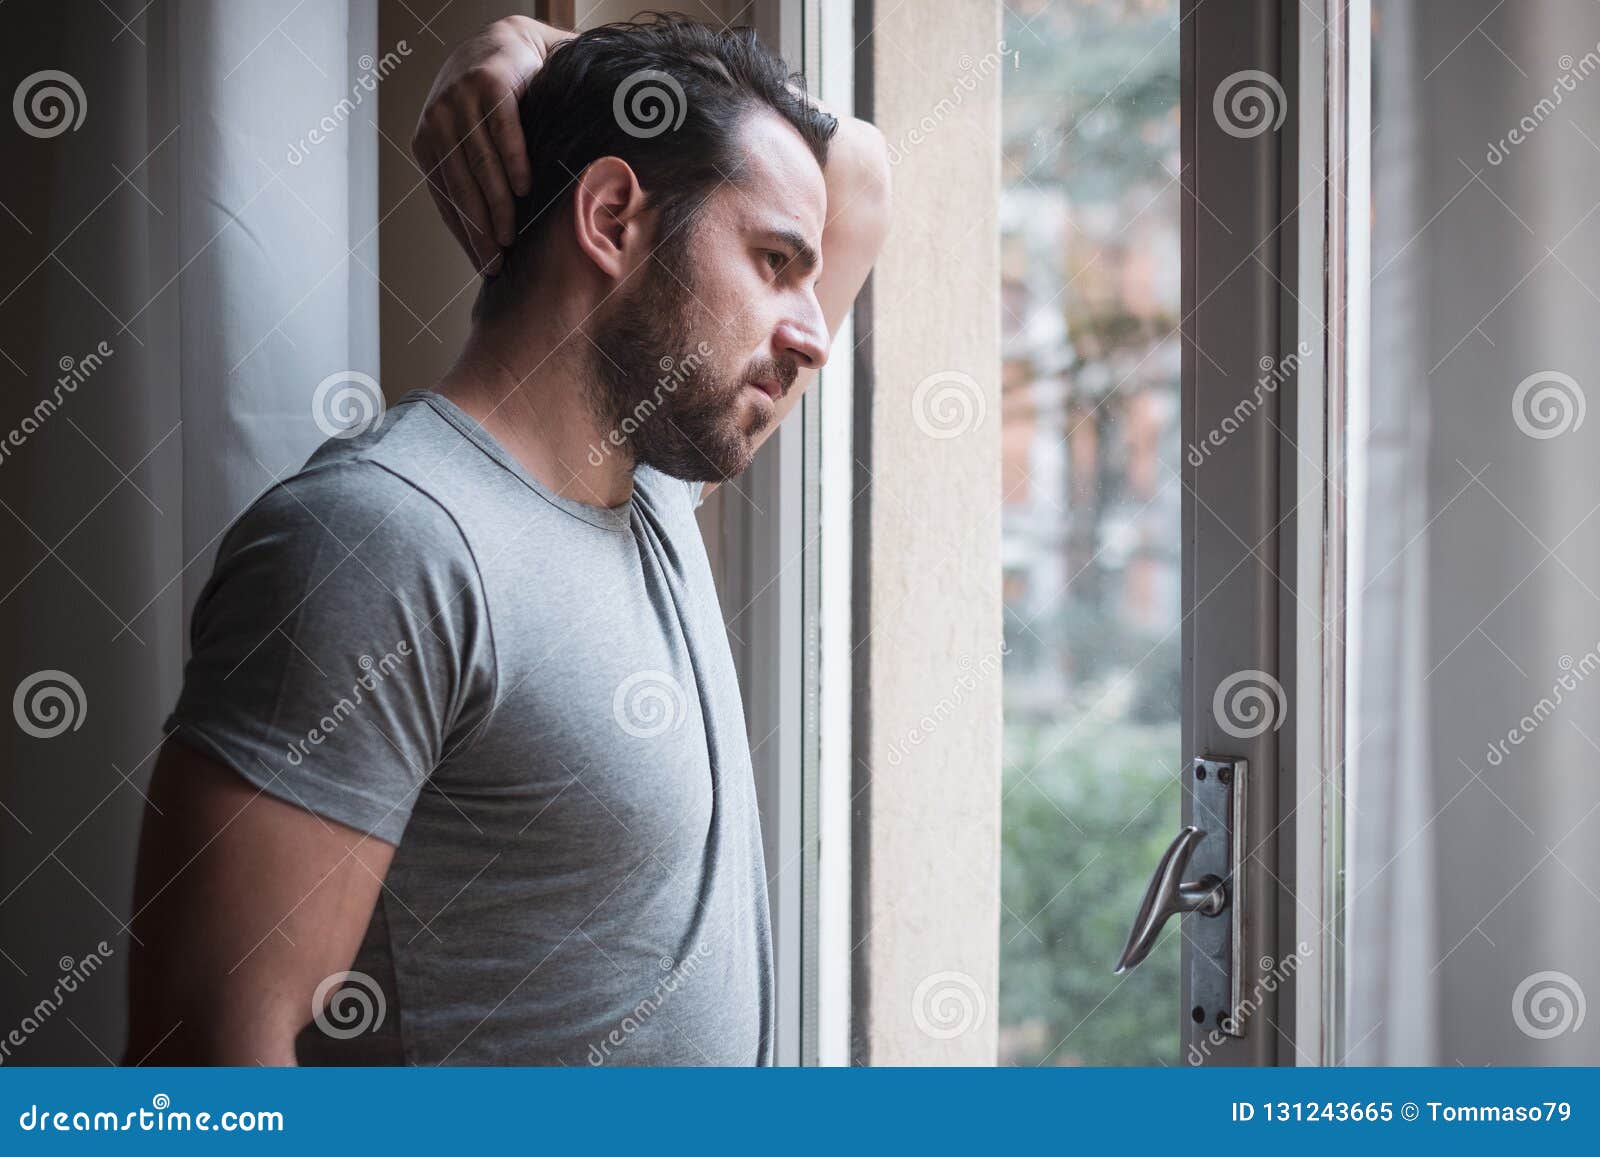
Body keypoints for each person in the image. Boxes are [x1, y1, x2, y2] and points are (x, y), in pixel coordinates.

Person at [123, 13, 890, 1066]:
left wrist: (521, 46)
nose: (811, 332)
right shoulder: (382, 543)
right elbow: (203, 1065)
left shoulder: (650, 492)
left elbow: (861, 170)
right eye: (772, 261)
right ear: (614, 217)